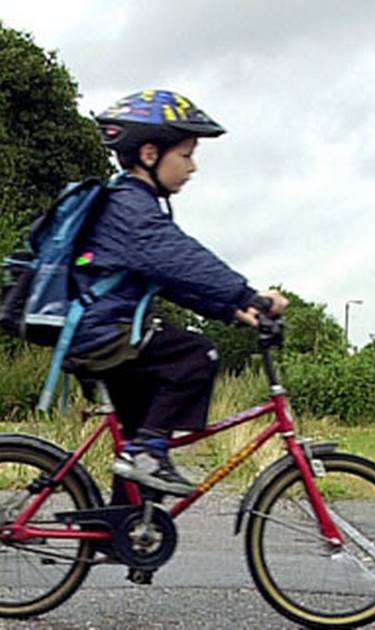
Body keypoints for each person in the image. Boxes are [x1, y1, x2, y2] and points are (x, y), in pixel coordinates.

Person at [66, 89, 288, 496]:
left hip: (105, 333)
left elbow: (172, 280)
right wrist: (246, 295)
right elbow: (181, 260)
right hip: (105, 334)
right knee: (197, 354)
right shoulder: (131, 208)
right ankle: (147, 454)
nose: (193, 166)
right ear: (150, 154)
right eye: (186, 154)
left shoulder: (133, 203)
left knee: (143, 447)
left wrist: (230, 309)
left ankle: (128, 527)